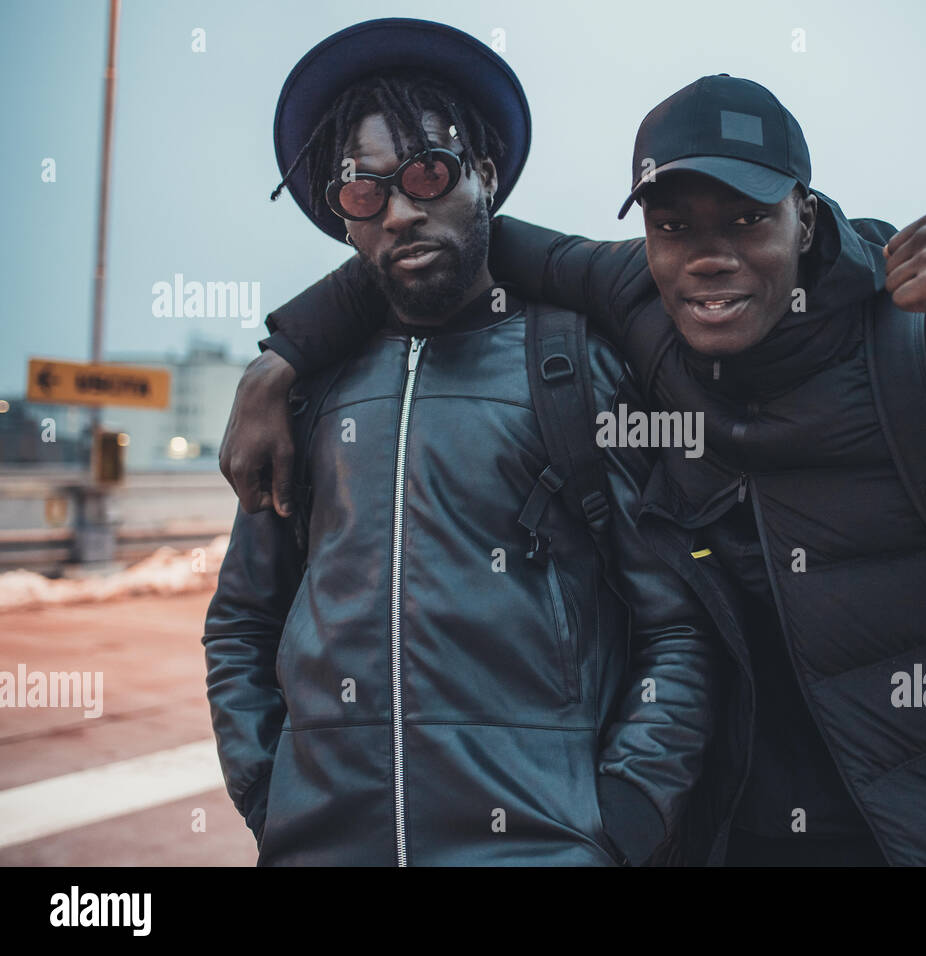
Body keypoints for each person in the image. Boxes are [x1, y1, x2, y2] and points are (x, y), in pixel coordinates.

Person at [220, 71, 926, 866]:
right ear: (642, 233)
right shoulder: (645, 308)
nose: (710, 254)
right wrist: (284, 353)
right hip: (720, 832)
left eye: (747, 216)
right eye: (675, 221)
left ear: (806, 216)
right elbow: (445, 238)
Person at [203, 19, 719, 867]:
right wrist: (272, 795)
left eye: (427, 173)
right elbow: (241, 625)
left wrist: (619, 822)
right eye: (365, 192)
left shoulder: (572, 367)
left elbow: (677, 626)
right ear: (345, 220)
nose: (402, 210)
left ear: (482, 175)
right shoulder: (310, 394)